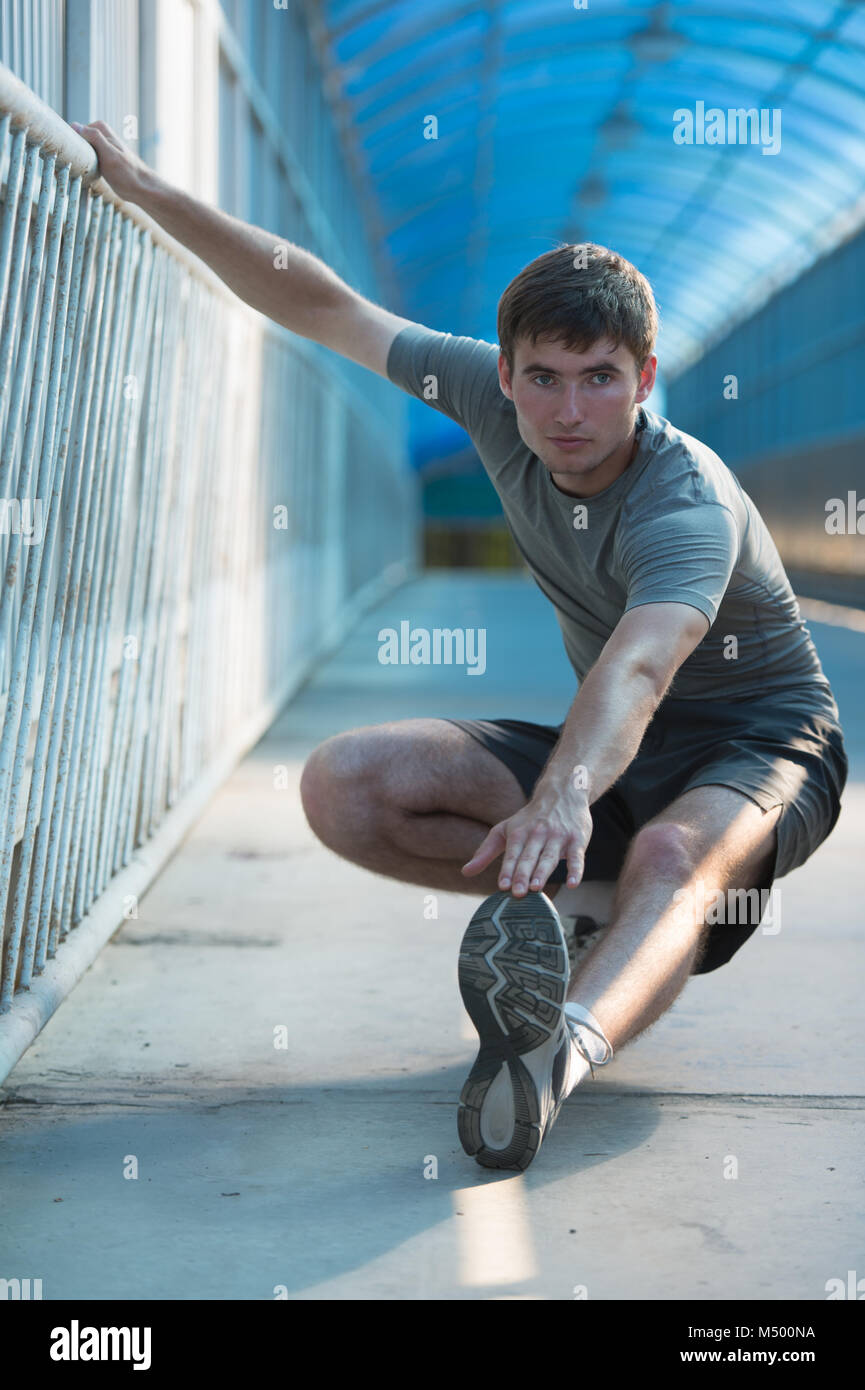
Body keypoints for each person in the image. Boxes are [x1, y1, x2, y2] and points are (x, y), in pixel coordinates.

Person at [74, 120, 848, 1172]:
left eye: (599, 378)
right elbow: (325, 302)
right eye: (543, 377)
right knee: (346, 783)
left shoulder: (685, 503)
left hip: (757, 745)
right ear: (506, 370)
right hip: (618, 756)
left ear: (646, 376)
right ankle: (588, 910)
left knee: (673, 853)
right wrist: (150, 190)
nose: (568, 410)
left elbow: (638, 665)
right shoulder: (480, 393)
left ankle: (555, 1050)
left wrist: (562, 791)